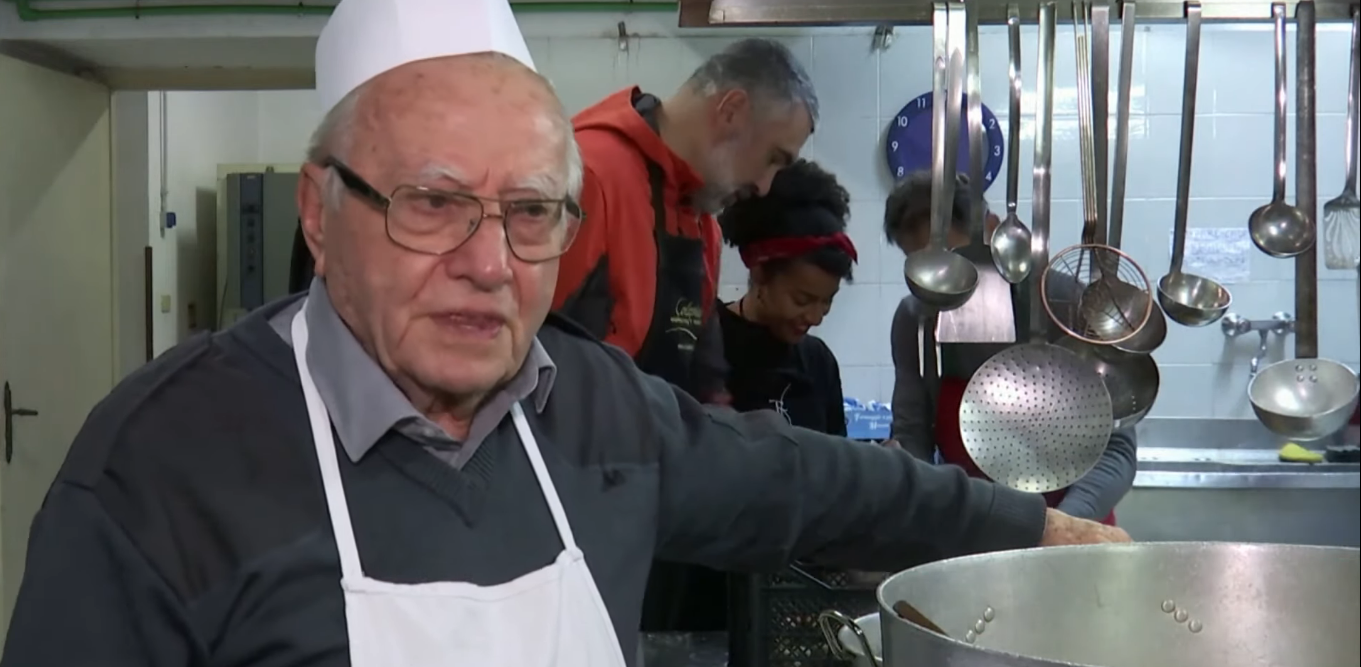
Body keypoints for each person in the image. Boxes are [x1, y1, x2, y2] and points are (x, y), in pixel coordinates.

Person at [0, 2, 1129, 665]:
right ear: (319, 210)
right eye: (430, 203)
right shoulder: (162, 462)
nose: (489, 265)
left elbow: (814, 484)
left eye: (530, 213)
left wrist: (1041, 534)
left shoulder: (590, 407)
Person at [553, 38, 819, 633]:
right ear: (730, 111)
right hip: (564, 528)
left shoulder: (700, 218)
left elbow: (703, 379)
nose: (767, 187)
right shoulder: (588, 176)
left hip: (645, 515)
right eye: (773, 158)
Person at [884, 170, 1138, 524]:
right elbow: (913, 434)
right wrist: (930, 510)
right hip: (974, 522)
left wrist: (1060, 525)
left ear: (993, 230)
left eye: (957, 261)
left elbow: (1118, 449)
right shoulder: (917, 320)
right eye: (928, 271)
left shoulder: (1064, 305)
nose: (945, 286)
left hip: (1075, 524)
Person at [716, 159, 854, 434]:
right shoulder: (709, 345)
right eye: (802, 300)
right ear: (759, 273)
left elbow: (835, 461)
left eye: (827, 301)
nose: (815, 318)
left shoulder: (818, 362)